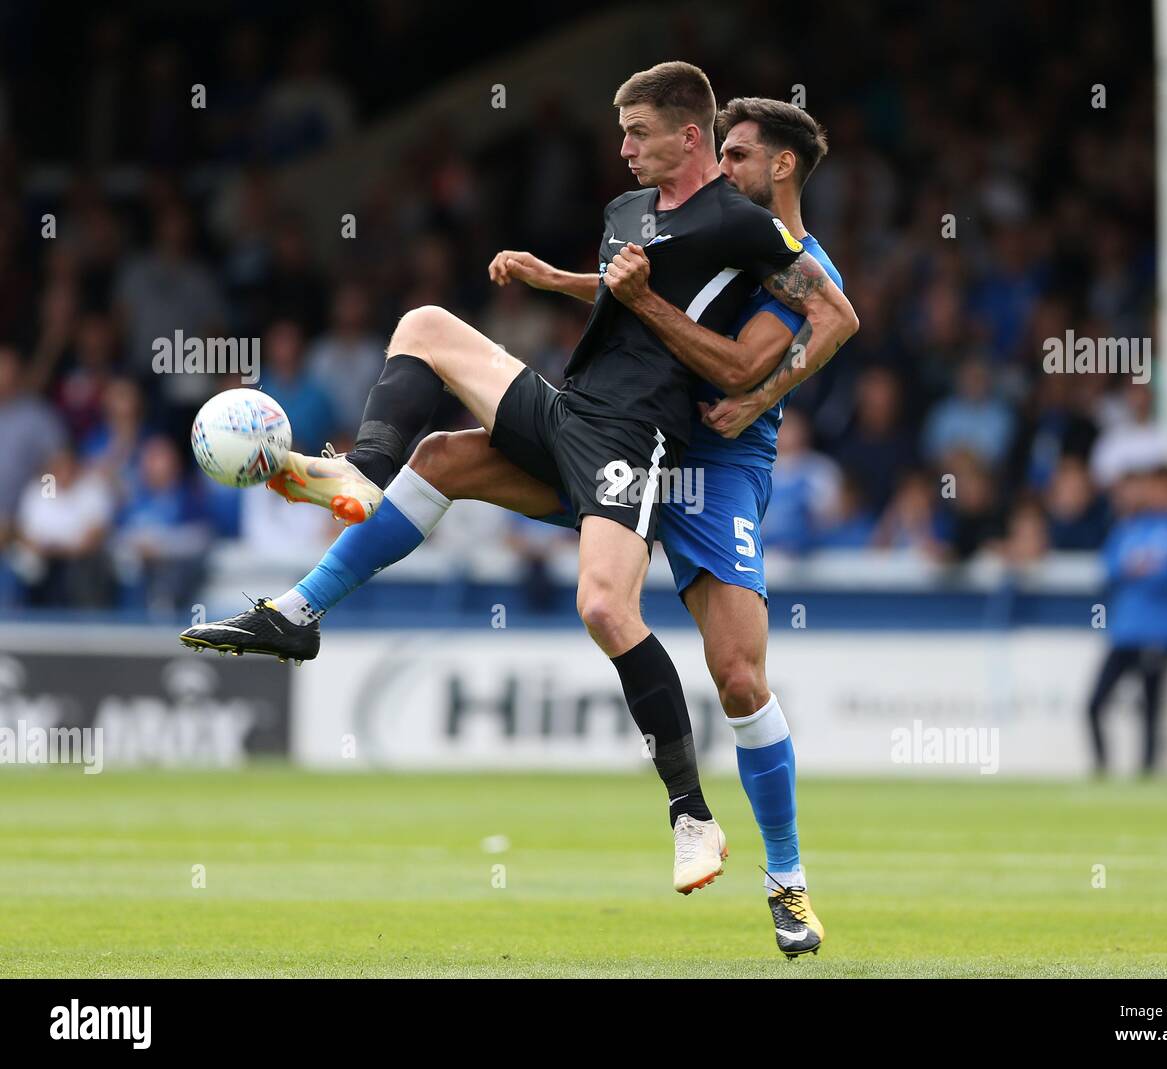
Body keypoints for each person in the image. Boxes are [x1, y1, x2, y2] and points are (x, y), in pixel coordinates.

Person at [180, 65, 860, 926]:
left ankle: (785, 877)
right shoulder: (678, 214)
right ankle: (302, 600)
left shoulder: (783, 251)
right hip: (609, 428)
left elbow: (765, 345)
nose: (725, 166)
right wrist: (561, 281)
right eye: (719, 150)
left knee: (735, 674)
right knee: (446, 456)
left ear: (784, 167)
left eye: (738, 154)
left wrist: (757, 401)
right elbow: (641, 292)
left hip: (713, 461)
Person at [1087, 464, 1167, 775]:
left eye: (1164, 488)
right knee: (1094, 704)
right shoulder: (1128, 528)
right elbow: (1109, 570)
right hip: (1124, 631)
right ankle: (1102, 766)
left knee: (1151, 707)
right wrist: (1139, 570)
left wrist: (1136, 570)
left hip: (1159, 632)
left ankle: (1148, 771)